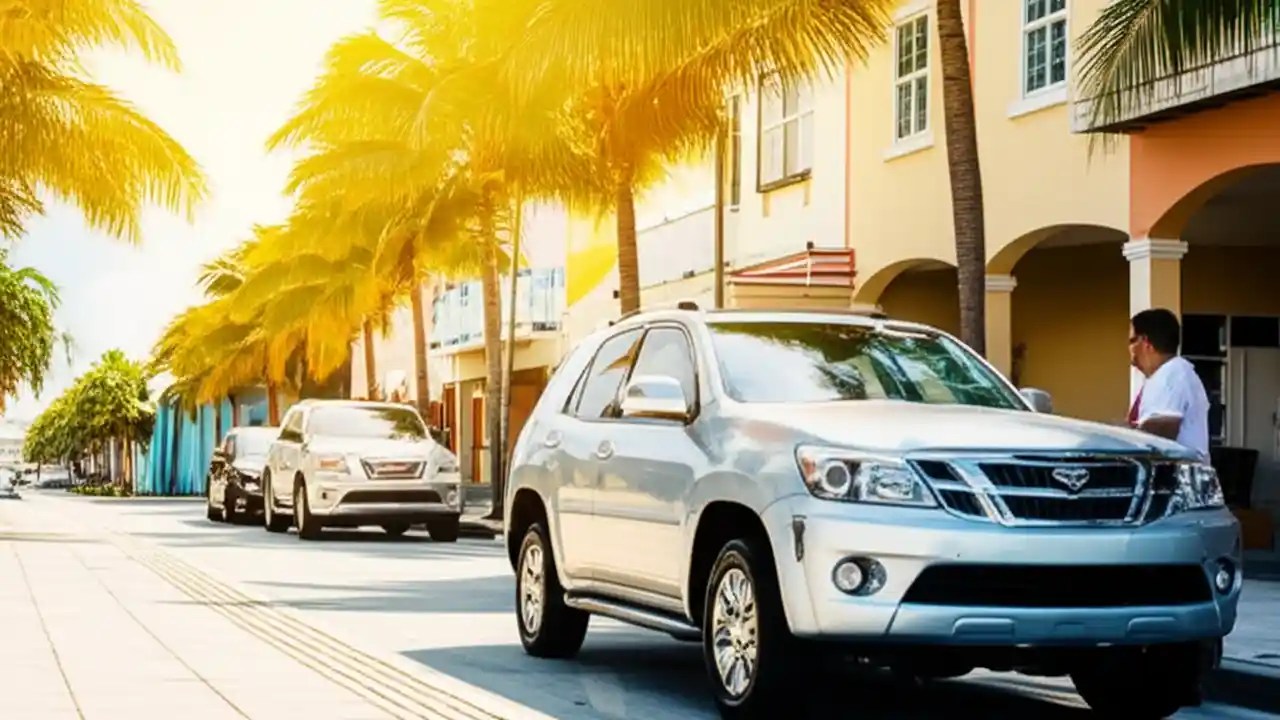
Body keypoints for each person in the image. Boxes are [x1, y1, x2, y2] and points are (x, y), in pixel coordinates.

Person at [1127, 308, 1211, 461]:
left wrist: (1119, 436)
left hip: (1177, 478)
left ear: (1146, 342)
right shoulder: (1164, 375)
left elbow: (1161, 434)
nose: (1129, 349)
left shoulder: (1172, 374)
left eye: (1132, 341)